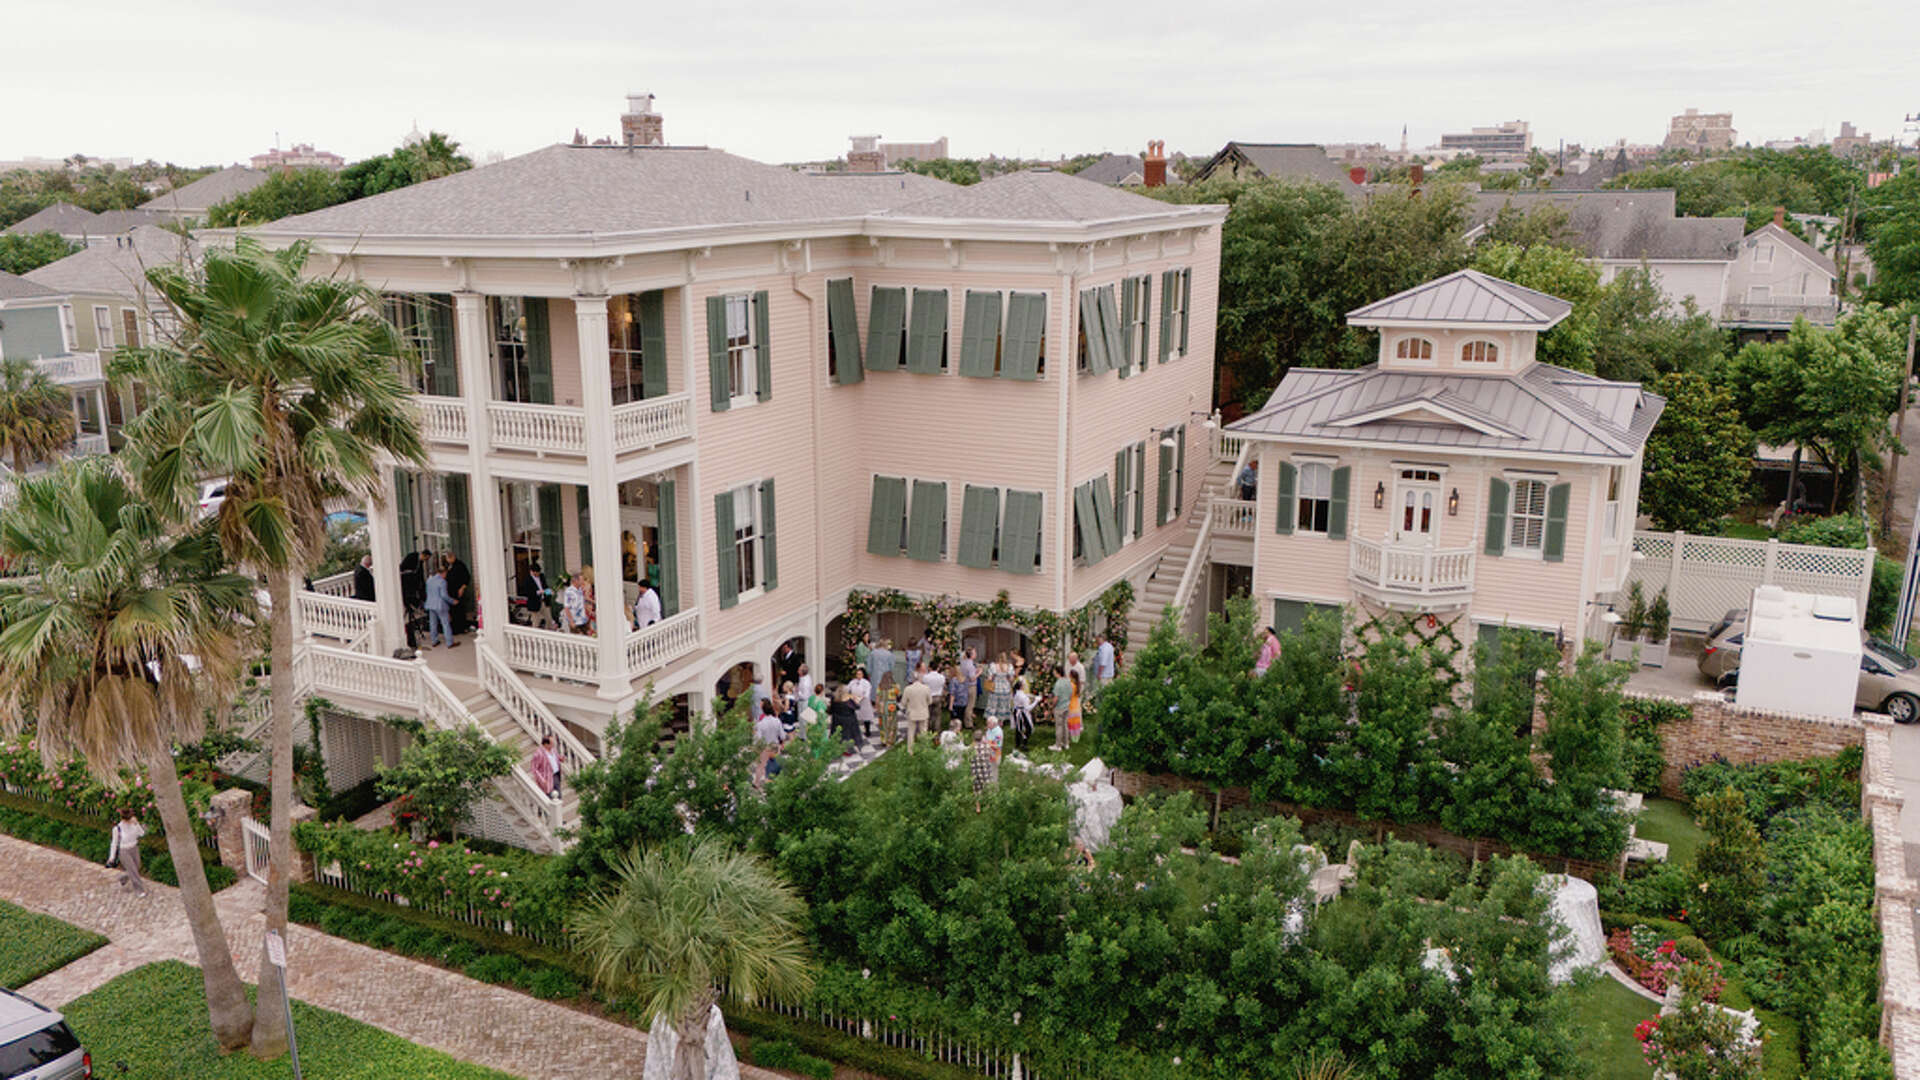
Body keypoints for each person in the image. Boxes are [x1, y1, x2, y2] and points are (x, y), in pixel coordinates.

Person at [106, 808, 147, 897]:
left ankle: (123, 878)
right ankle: (139, 890)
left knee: (137, 866)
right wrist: (112, 857)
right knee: (133, 870)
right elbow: (114, 843)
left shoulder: (134, 825)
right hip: (124, 851)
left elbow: (141, 834)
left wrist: (137, 824)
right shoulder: (117, 829)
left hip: (134, 848)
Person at [972, 713, 1004, 811]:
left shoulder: (998, 733)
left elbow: (997, 746)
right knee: (988, 774)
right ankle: (988, 790)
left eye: (988, 724)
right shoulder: (989, 730)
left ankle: (993, 793)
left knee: (993, 775)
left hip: (995, 755)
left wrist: (986, 744)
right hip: (988, 754)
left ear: (993, 724)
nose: (986, 725)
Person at [423, 563, 456, 648]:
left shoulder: (429, 580)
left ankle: (434, 641)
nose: (446, 576)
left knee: (433, 623)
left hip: (430, 604)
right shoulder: (442, 582)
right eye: (446, 574)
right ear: (444, 573)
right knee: (445, 623)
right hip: (440, 605)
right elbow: (444, 595)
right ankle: (449, 642)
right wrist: (452, 601)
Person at [900, 667, 932, 749]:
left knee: (911, 732)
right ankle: (924, 749)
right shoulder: (926, 688)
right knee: (923, 732)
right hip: (923, 712)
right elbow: (930, 701)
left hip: (912, 713)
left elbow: (903, 703)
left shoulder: (908, 689)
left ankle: (910, 750)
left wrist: (909, 705)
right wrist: (924, 705)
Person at [443, 551, 473, 635]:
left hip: (458, 590)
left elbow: (467, 577)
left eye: (449, 558)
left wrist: (462, 588)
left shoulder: (460, 565)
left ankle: (461, 627)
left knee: (459, 609)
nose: (448, 560)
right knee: (452, 610)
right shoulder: (449, 566)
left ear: (453, 557)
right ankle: (455, 628)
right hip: (450, 591)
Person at [829, 687, 863, 754]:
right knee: (848, 735)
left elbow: (831, 709)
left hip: (837, 720)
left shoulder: (834, 699)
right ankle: (848, 750)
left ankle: (837, 748)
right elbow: (857, 707)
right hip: (848, 720)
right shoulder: (849, 702)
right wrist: (855, 700)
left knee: (839, 734)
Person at [529, 736, 563, 801]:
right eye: (552, 743)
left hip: (556, 775)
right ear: (546, 744)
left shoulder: (553, 750)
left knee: (558, 795)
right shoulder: (538, 754)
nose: (553, 745)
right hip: (546, 778)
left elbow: (555, 758)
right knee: (548, 796)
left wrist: (560, 758)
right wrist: (542, 779)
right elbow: (534, 768)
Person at [848, 666, 875, 738]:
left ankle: (867, 731)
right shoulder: (852, 682)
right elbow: (848, 690)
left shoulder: (866, 683)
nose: (858, 676)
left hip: (864, 701)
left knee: (866, 717)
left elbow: (867, 692)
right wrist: (851, 696)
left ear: (863, 675)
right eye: (857, 674)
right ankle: (854, 731)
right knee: (854, 716)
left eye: (860, 674)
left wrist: (861, 697)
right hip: (854, 701)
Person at [986, 652, 1014, 722]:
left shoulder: (993, 666)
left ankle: (992, 721)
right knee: (1003, 706)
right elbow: (1011, 679)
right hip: (1005, 689)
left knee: (993, 706)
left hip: (995, 688)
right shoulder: (1009, 666)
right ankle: (1001, 721)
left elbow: (990, 678)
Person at [1050, 665, 1073, 751]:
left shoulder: (1058, 684)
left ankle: (1058, 745)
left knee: (1059, 726)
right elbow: (1071, 694)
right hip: (1067, 706)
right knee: (1065, 725)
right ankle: (1066, 743)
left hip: (1059, 707)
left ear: (1057, 673)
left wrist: (1052, 706)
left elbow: (1056, 698)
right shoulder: (1068, 681)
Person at [1010, 682, 1037, 751]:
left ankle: (1017, 743)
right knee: (1028, 728)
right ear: (1021, 687)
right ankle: (1024, 744)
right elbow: (1028, 708)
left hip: (1017, 711)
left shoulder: (1016, 693)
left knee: (1019, 728)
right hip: (1022, 713)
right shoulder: (1023, 696)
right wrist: (1036, 701)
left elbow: (1024, 695)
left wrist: (1031, 696)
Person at [946, 661, 971, 728]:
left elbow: (952, 693)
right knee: (961, 716)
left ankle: (953, 728)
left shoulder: (954, 680)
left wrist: (950, 705)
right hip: (963, 702)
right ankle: (960, 728)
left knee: (954, 718)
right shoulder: (965, 679)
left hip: (956, 702)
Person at [958, 647, 979, 724]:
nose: (976, 654)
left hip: (965, 685)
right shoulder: (970, 664)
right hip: (971, 686)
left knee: (966, 703)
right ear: (971, 655)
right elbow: (972, 678)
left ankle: (964, 720)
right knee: (970, 705)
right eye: (974, 652)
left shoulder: (964, 662)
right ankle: (968, 723)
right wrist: (979, 673)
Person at [1093, 633, 1116, 697]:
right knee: (1107, 692)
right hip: (1108, 674)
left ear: (1101, 639)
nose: (1096, 641)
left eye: (1097, 639)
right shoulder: (1109, 646)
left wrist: (1099, 674)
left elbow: (1103, 663)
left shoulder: (1104, 649)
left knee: (1102, 693)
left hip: (1104, 675)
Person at [1066, 670, 1085, 746]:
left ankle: (1069, 738)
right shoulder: (1077, 684)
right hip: (1076, 705)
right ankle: (1076, 738)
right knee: (1076, 723)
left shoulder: (1071, 685)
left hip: (1071, 706)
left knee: (1069, 723)